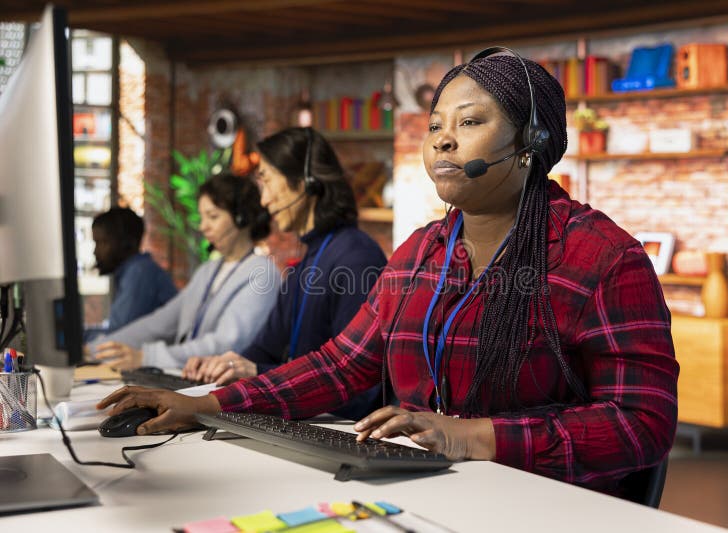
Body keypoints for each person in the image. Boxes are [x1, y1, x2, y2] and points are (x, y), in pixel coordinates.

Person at [99, 49, 678, 497]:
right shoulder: (422, 252)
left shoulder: (602, 258)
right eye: (434, 126)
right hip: (434, 494)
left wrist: (474, 436)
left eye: (469, 121)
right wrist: (211, 405)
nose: (443, 139)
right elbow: (342, 365)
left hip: (544, 508)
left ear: (533, 141)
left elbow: (642, 424)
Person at [182, 127, 387, 420]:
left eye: (265, 180)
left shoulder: (355, 258)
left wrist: (256, 372)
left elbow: (359, 389)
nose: (263, 201)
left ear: (306, 182)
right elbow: (264, 350)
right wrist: (223, 364)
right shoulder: (306, 263)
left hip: (342, 432)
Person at [89, 172, 281, 370]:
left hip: (220, 389)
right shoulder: (209, 270)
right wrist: (97, 348)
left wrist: (147, 358)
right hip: (189, 377)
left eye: (213, 216)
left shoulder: (262, 273)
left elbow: (227, 343)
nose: (203, 226)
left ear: (242, 218)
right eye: (202, 217)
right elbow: (160, 322)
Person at [83, 207, 177, 342]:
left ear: (126, 243)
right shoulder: (135, 271)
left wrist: (76, 337)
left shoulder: (139, 273)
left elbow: (119, 337)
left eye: (102, 242)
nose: (96, 251)